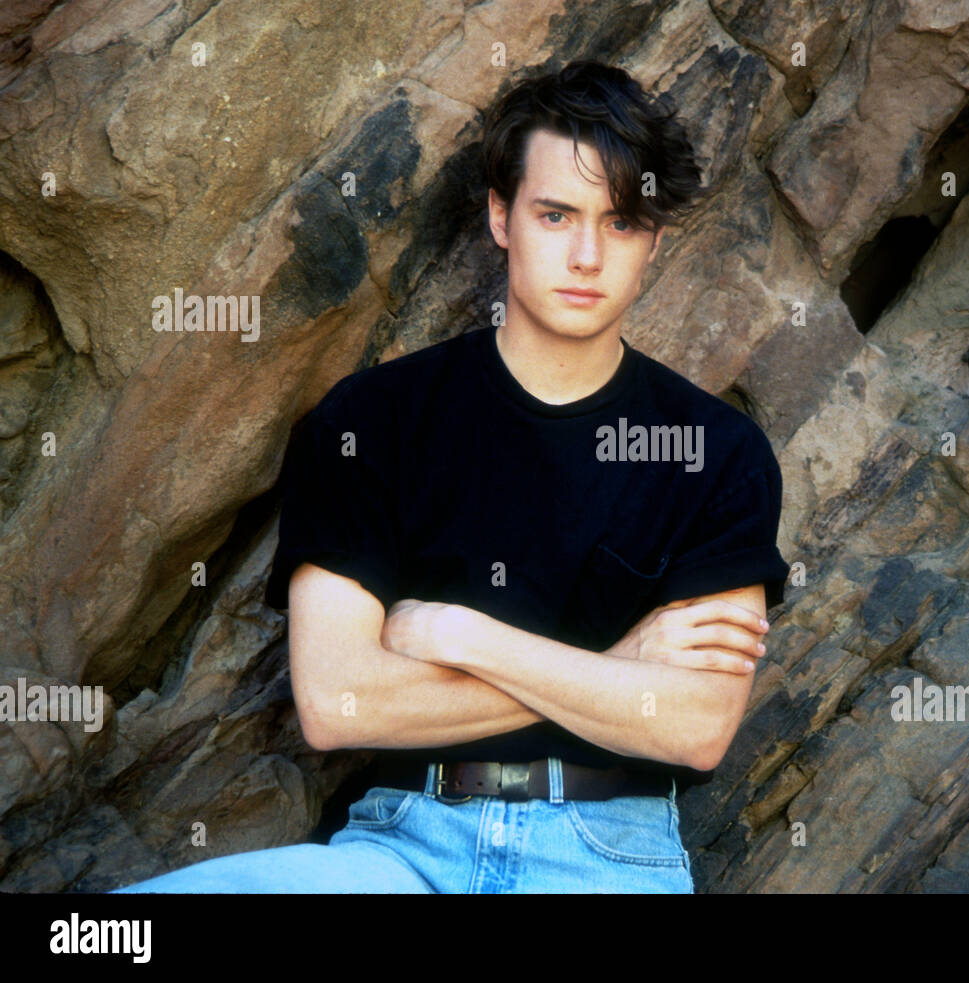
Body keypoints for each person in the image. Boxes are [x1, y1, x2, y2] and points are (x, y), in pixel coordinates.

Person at [113, 59, 789, 894]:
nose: (586, 255)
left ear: (653, 237)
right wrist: (622, 661)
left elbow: (695, 726)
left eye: (619, 223)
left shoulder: (716, 450)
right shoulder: (371, 421)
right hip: (401, 845)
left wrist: (464, 637)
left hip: (610, 855)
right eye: (555, 214)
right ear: (502, 216)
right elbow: (337, 705)